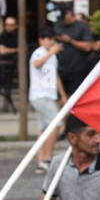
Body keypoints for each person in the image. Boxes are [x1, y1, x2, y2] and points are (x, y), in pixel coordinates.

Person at [29, 29, 66, 173]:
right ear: (41, 40)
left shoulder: (52, 57)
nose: (50, 42)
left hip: (48, 94)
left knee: (43, 129)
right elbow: (36, 64)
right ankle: (47, 158)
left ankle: (41, 162)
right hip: (40, 95)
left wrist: (62, 95)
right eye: (47, 39)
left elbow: (54, 75)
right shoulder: (39, 52)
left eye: (52, 39)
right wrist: (51, 52)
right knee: (56, 124)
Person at [53, 8, 100, 94]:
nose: (62, 21)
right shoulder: (58, 25)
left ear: (70, 14)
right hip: (61, 69)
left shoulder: (81, 26)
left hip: (77, 70)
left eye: (64, 18)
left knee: (75, 95)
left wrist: (70, 41)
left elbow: (88, 47)